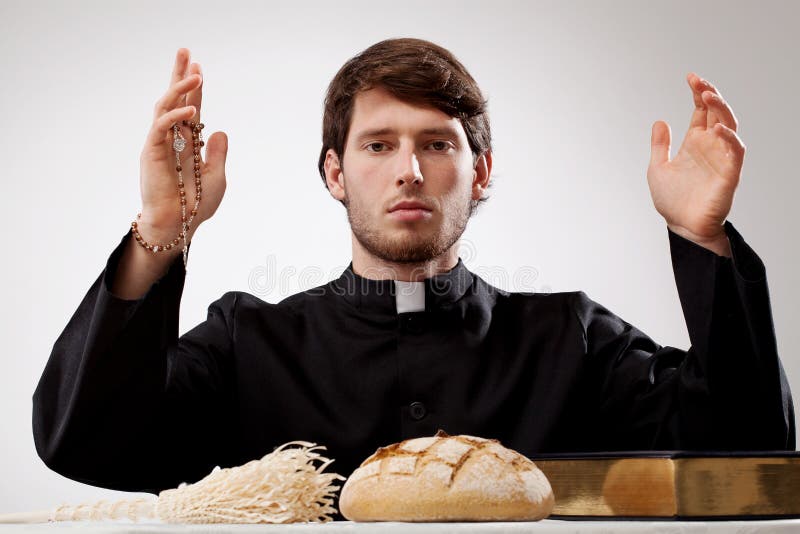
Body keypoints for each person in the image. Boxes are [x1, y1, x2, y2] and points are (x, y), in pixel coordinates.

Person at [33, 39, 794, 503]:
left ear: (481, 170)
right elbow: (88, 442)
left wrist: (703, 238)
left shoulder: (571, 338)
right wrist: (161, 230)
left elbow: (748, 448)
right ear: (334, 172)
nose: (408, 171)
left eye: (437, 144)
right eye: (377, 144)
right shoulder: (246, 342)